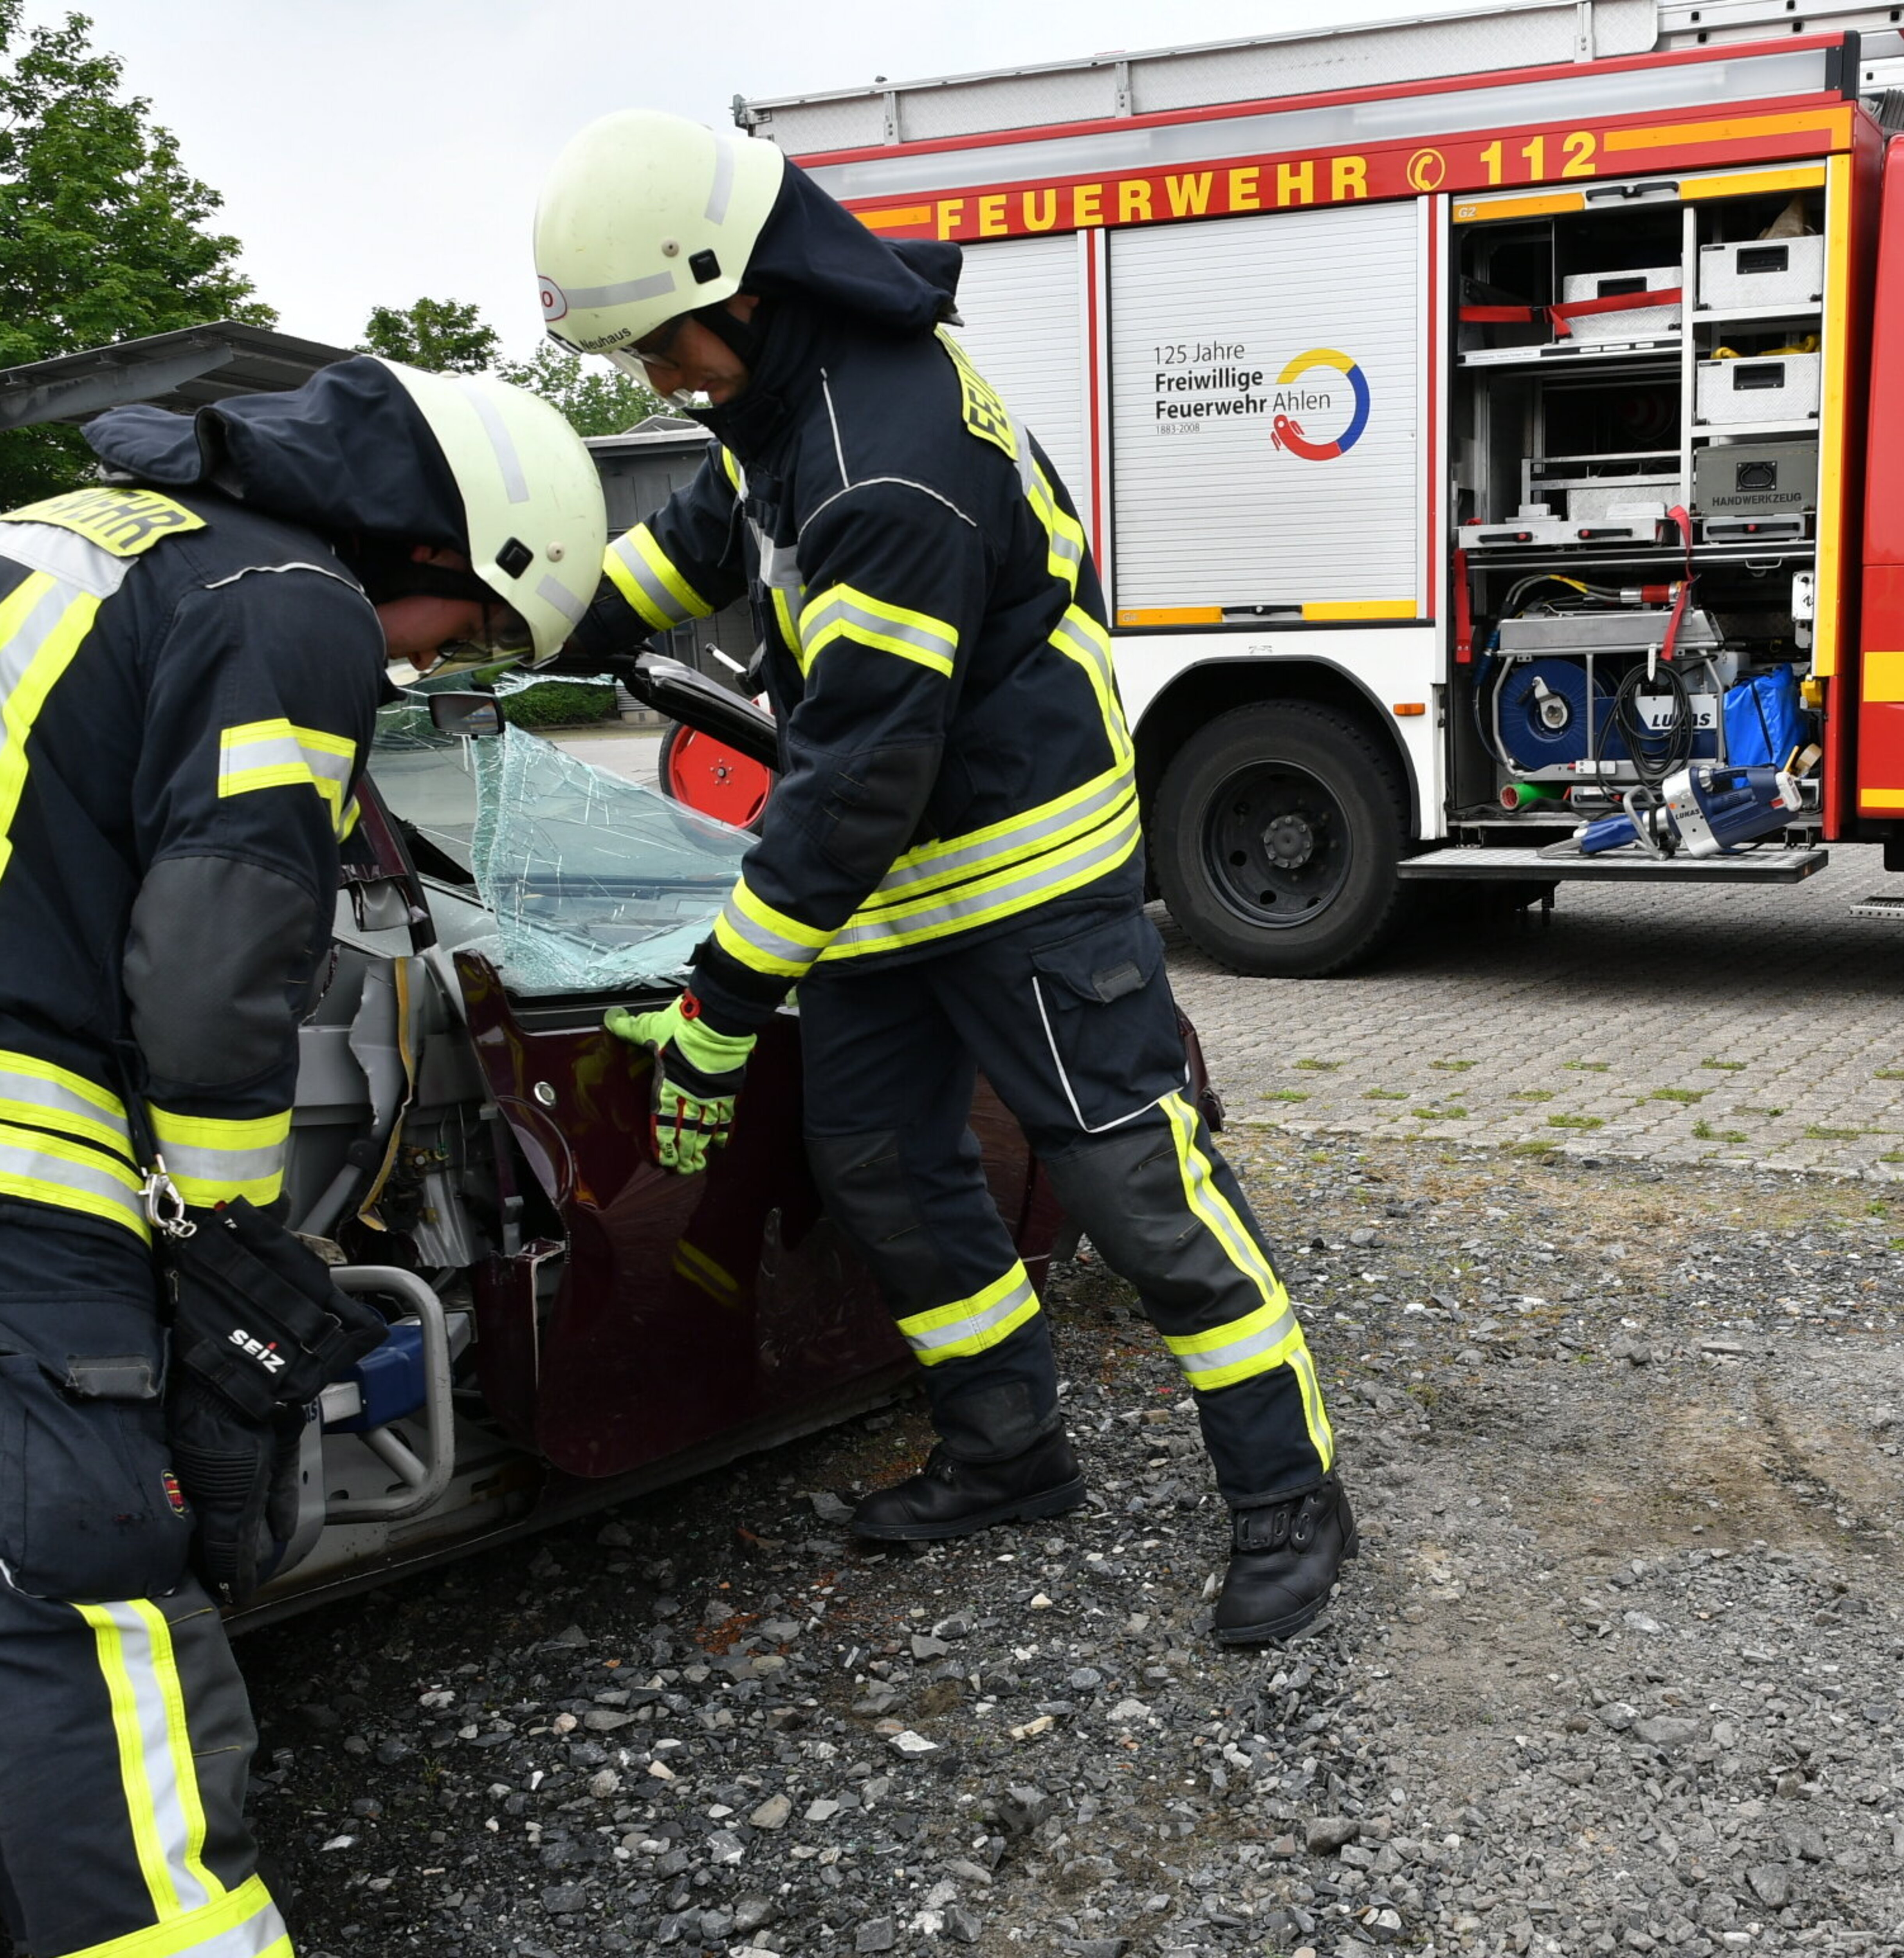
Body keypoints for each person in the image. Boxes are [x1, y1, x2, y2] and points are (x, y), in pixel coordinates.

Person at [0, 357, 605, 1958]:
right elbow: (225, 957)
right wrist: (227, 1239)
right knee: (96, 1607)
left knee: (11, 1590)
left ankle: (45, 1901)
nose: (436, 666)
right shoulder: (291, 601)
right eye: (476, 632)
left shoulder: (98, 533)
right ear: (436, 551)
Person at [531, 109, 1355, 1644]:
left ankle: (1288, 1491)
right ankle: (1008, 1452)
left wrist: (721, 999)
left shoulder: (882, 464)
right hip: (890, 900)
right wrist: (517, 620)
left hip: (1019, 876)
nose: (657, 381)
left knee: (1133, 1185)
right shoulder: (789, 408)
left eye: (662, 348)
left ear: (746, 293)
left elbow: (853, 780)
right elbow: (687, 558)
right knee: (891, 1175)